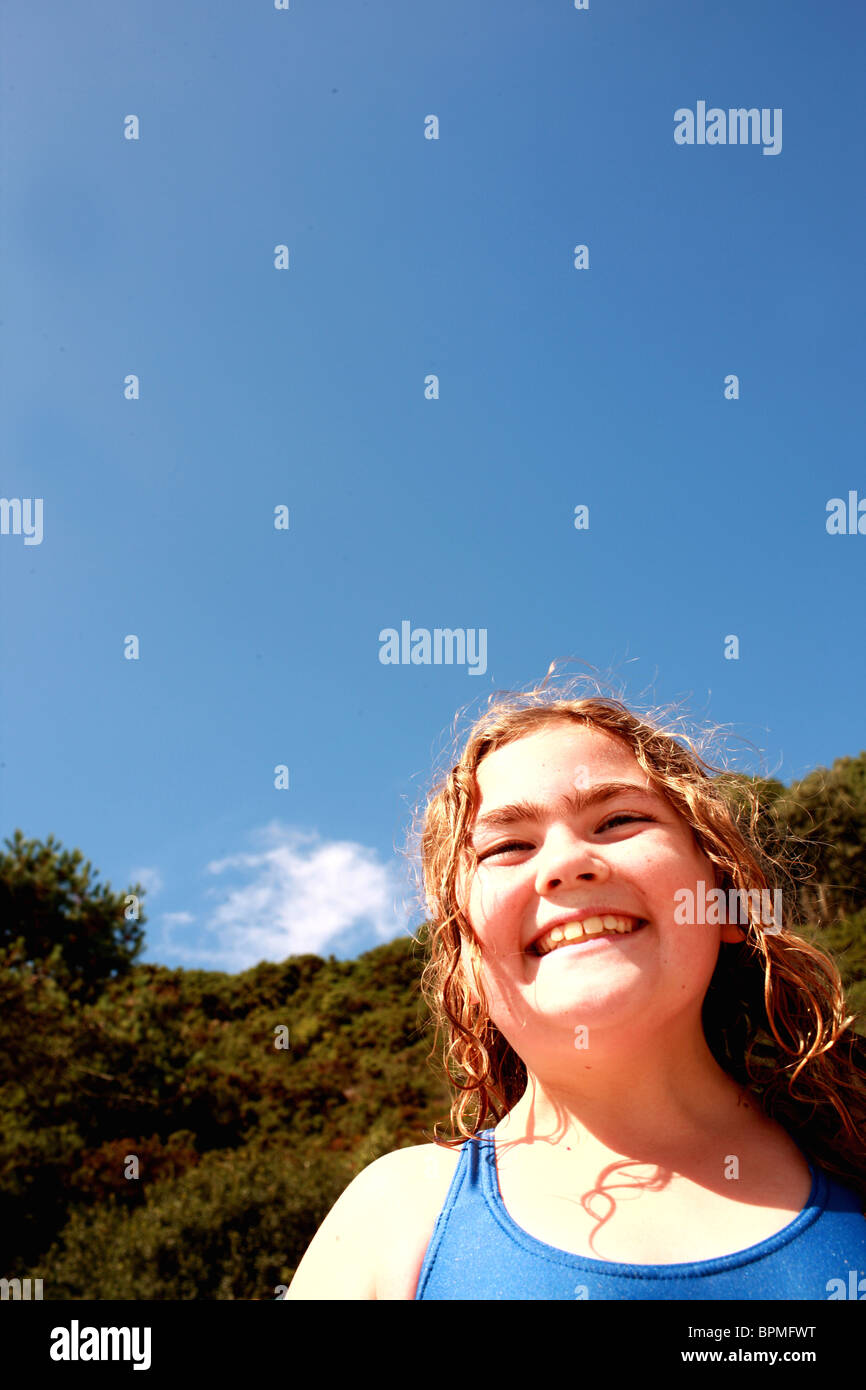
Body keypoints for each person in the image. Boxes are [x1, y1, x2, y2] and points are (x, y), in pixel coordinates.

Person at [286, 679, 866, 1300]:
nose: (565, 862)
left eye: (619, 820)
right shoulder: (398, 1219)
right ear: (465, 966)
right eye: (508, 846)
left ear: (723, 902)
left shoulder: (855, 1157)